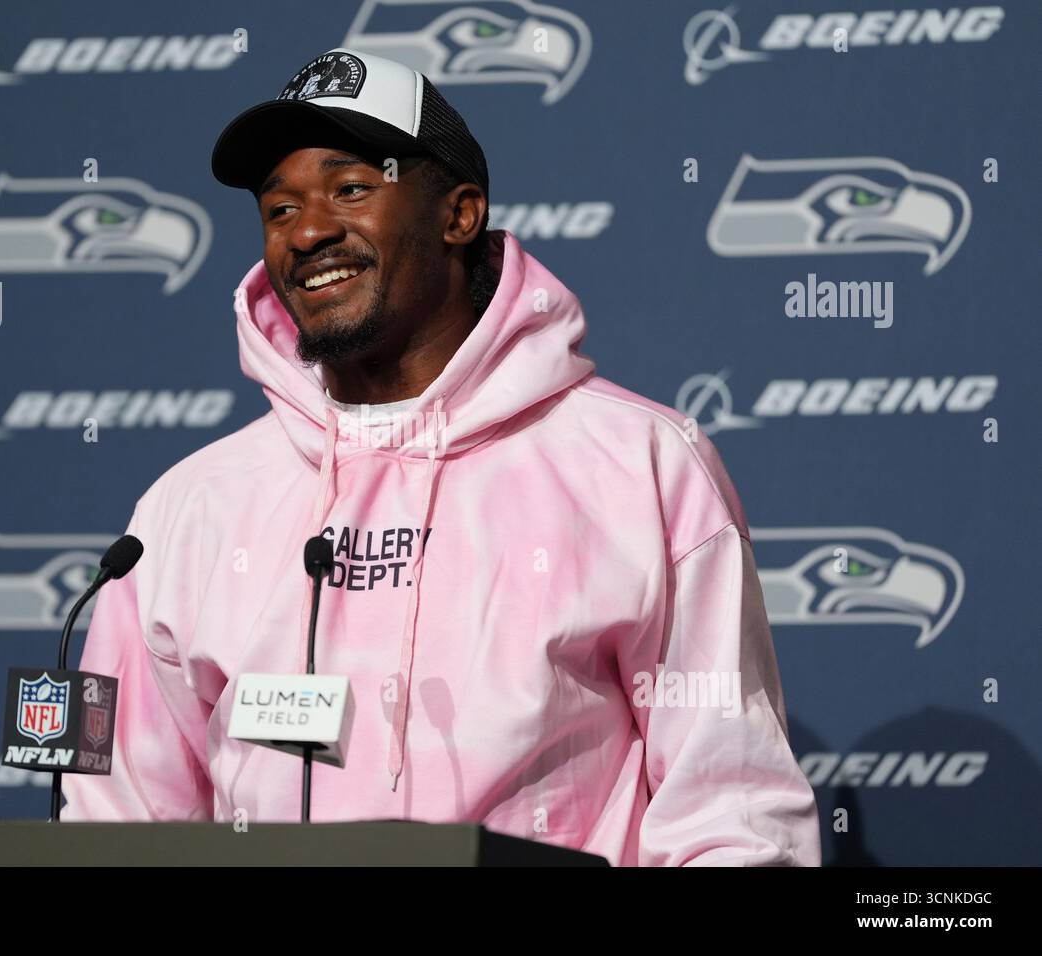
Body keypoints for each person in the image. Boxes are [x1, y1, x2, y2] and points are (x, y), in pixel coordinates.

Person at [62, 47, 821, 866]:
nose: (308, 231)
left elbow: (731, 814)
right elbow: (119, 827)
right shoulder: (188, 510)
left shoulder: (643, 466)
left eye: (350, 189)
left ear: (460, 215)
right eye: (279, 210)